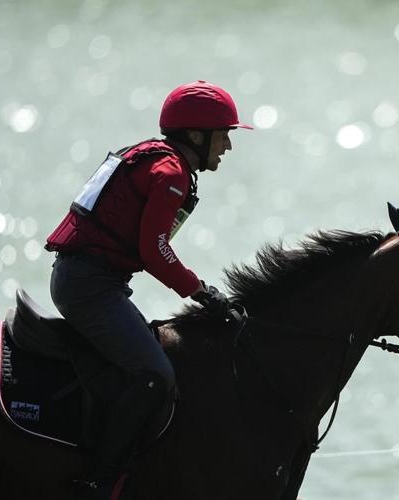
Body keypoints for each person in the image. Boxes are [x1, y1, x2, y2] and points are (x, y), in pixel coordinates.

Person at [44, 80, 252, 499]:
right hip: (90, 286)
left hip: (92, 281)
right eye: (224, 134)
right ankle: (97, 483)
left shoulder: (155, 157)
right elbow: (154, 250)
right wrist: (203, 293)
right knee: (155, 374)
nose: (228, 146)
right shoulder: (170, 171)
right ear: (196, 135)